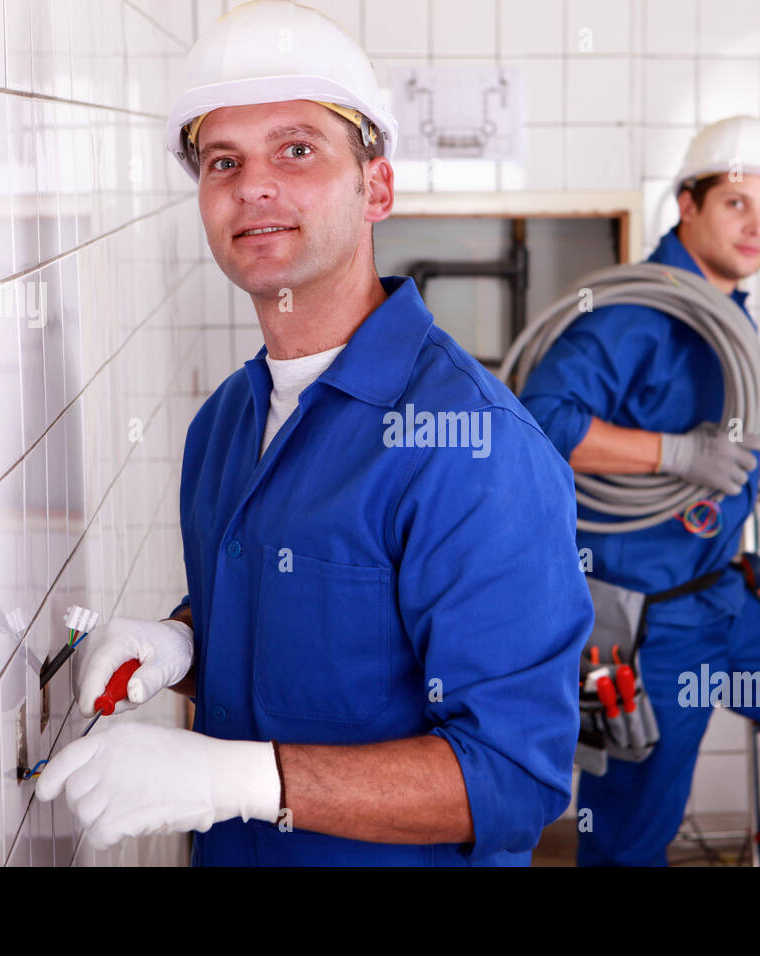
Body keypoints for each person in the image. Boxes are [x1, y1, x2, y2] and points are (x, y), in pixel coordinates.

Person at [36, 0, 592, 866]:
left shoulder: (474, 448)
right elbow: (301, 636)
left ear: (376, 186)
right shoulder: (225, 423)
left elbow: (515, 778)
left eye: (297, 149)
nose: (255, 185)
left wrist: (240, 783)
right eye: (225, 161)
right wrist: (179, 644)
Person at [520, 116, 760, 866]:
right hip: (651, 627)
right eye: (738, 203)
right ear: (689, 204)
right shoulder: (634, 315)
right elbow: (541, 424)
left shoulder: (725, 307)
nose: (756, 228)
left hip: (722, 597)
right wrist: (677, 454)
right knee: (635, 823)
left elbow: (734, 412)